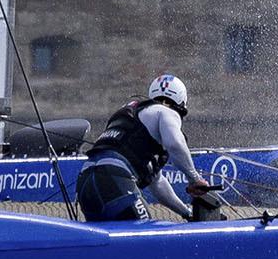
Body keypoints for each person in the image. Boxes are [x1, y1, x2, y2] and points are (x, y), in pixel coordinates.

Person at [77, 73, 223, 222]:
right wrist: (195, 179)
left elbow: (157, 183)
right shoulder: (167, 112)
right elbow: (174, 144)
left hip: (85, 182)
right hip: (115, 179)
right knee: (143, 232)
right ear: (181, 102)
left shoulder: (134, 114)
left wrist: (187, 213)